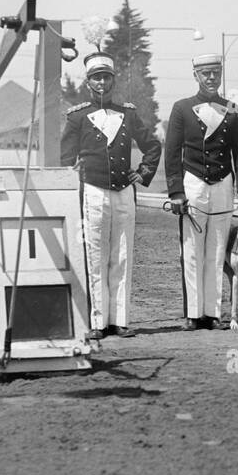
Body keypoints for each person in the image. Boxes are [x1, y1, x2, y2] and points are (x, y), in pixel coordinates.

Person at [60, 51, 162, 340]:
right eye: (96, 78)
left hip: (124, 194)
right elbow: (63, 159)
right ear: (88, 82)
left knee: (122, 256)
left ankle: (120, 321)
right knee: (96, 256)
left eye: (106, 77)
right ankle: (97, 323)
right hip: (92, 192)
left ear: (113, 80)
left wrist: (142, 173)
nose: (102, 83)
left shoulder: (128, 114)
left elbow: (152, 145)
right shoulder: (77, 117)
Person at [164, 53, 238, 330]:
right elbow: (172, 153)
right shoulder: (181, 108)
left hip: (223, 185)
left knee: (216, 252)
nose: (211, 78)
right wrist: (176, 192)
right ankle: (193, 314)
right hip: (193, 185)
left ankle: (212, 313)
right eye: (206, 73)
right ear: (196, 76)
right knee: (192, 251)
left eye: (216, 72)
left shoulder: (234, 110)